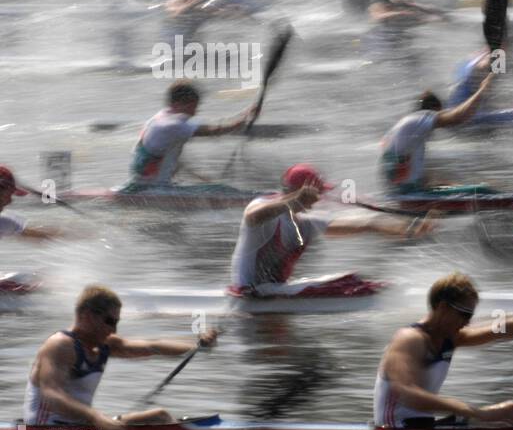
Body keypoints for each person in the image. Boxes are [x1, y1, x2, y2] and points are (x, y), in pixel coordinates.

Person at [373, 272, 513, 429]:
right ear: (443, 307)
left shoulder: (451, 336)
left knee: (511, 411)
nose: (467, 321)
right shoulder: (409, 339)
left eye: (470, 315)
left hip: (422, 427)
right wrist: (469, 411)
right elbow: (409, 395)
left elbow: (501, 328)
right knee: (508, 412)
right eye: (464, 314)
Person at [23, 285, 218, 430]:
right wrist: (96, 416)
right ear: (87, 316)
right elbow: (51, 394)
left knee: (160, 416)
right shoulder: (60, 346)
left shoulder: (105, 344)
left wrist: (197, 344)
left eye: (116, 322)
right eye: (110, 321)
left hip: (82, 427)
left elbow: (153, 346)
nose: (114, 330)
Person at [230, 163, 433, 295]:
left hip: (272, 292)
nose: (319, 198)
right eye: (317, 192)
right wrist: (294, 201)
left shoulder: (307, 221)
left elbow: (367, 224)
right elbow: (253, 216)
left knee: (356, 283)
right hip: (249, 293)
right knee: (354, 288)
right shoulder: (264, 208)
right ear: (298, 192)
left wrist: (410, 230)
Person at [124, 82, 252, 190]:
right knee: (221, 190)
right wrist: (241, 120)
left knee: (213, 187)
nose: (194, 112)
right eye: (192, 107)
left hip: (142, 182)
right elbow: (214, 130)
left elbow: (177, 162)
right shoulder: (172, 125)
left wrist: (202, 178)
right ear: (177, 104)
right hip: (152, 186)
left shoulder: (161, 117)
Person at [380, 83, 493, 192]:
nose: (437, 124)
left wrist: (456, 186)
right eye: (440, 113)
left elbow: (421, 178)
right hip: (408, 192)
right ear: (434, 109)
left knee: (467, 188)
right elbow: (459, 117)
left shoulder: (407, 126)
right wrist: (482, 90)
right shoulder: (421, 118)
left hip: (396, 190)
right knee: (481, 190)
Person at [0, 166, 59, 240]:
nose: (9, 201)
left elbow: (47, 236)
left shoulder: (5, 223)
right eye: (8, 194)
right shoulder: (4, 223)